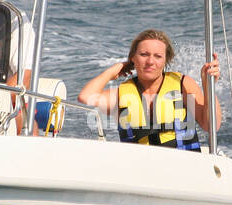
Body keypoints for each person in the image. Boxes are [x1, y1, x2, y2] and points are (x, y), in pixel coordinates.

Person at [78, 29, 220, 150]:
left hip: (183, 165)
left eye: (158, 56)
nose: (150, 61)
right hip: (140, 170)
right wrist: (112, 71)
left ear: (165, 61)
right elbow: (86, 97)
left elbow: (210, 125)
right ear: (133, 58)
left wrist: (208, 86)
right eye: (144, 54)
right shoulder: (122, 93)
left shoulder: (182, 84)